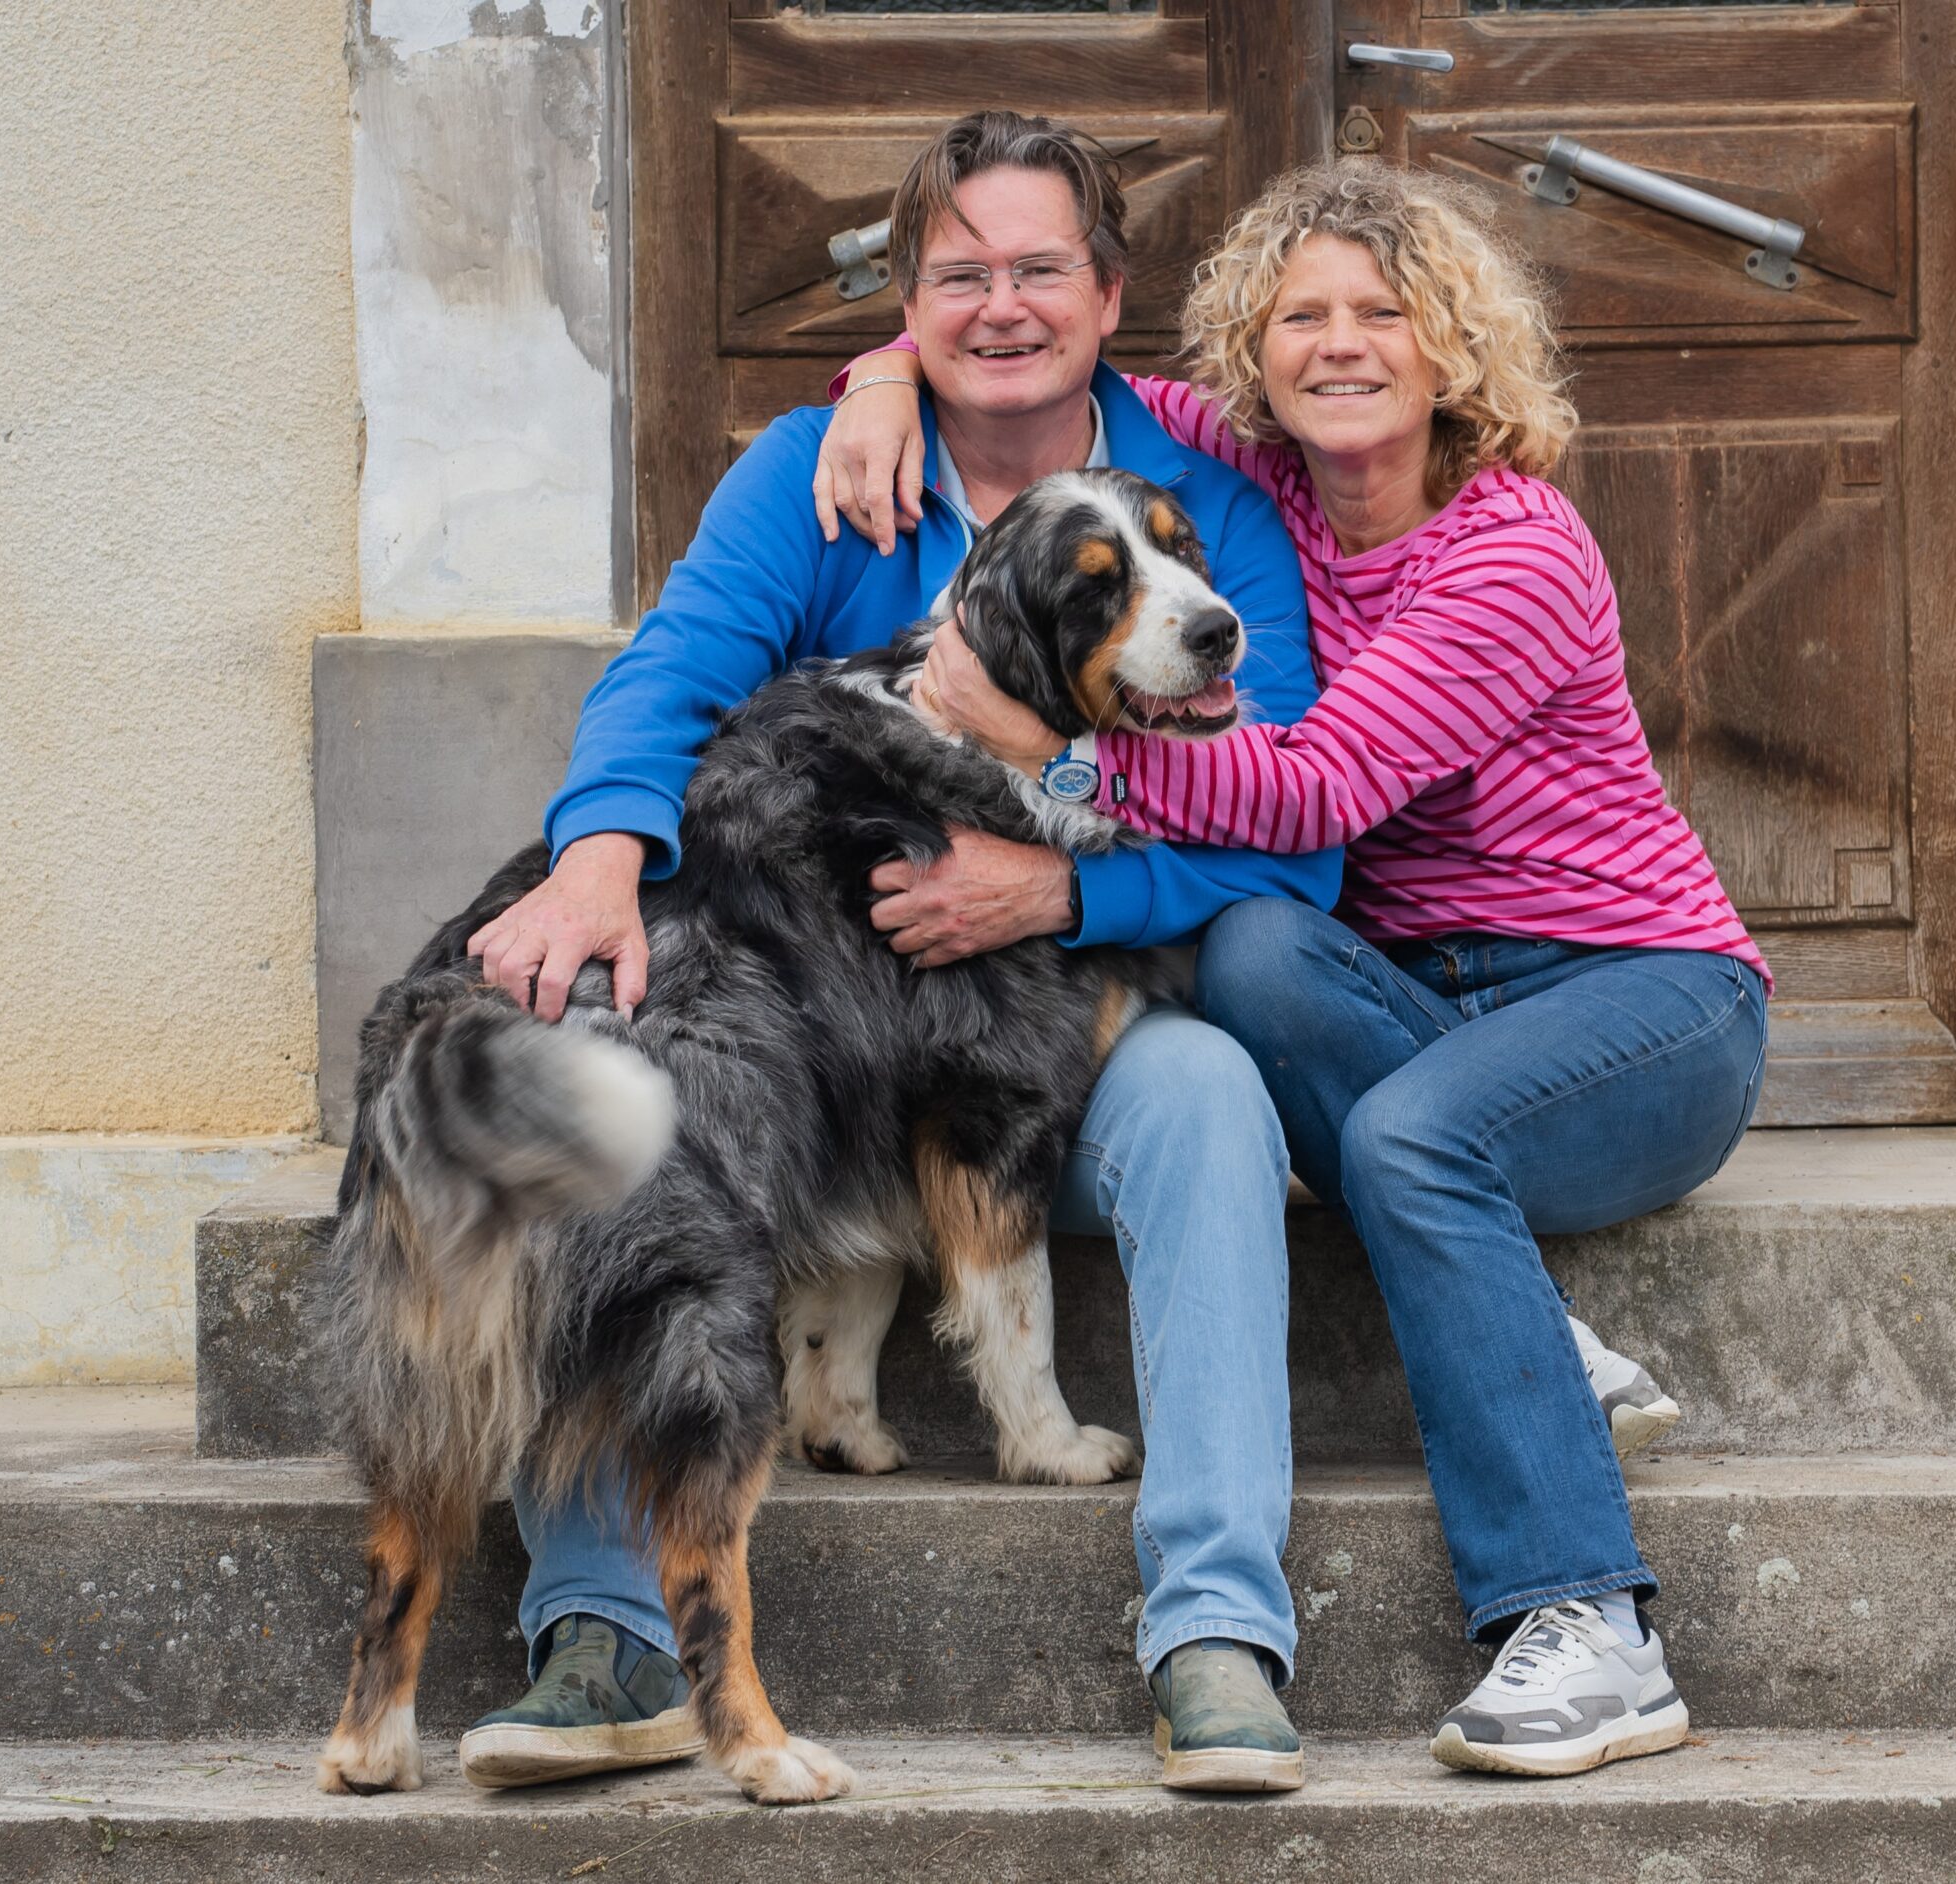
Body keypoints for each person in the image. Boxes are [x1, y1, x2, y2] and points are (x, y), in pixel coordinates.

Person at [821, 158, 1772, 1777]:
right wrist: (883, 369)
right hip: (1417, 994)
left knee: (1415, 1137)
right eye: (1300, 316)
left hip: (1635, 1000)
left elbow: (1319, 784)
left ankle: (1592, 1630)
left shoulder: (1512, 553)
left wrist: (1046, 749)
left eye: (1383, 314)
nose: (1340, 345)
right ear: (1250, 357)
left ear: (1451, 347)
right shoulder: (1252, 483)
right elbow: (1043, 359)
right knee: (1256, 944)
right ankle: (1536, 1335)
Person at [455, 110, 1336, 1796]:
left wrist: (1062, 898)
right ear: (909, 304)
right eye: (959, 277)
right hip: (825, 1031)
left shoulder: (1209, 494)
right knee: (608, 1063)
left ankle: (1216, 1626)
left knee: (1216, 1094)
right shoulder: (820, 470)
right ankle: (606, 1627)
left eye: (1040, 270)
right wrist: (596, 861)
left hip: (1067, 1010)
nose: (1003, 307)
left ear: (1108, 290)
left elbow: (1302, 813)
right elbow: (672, 677)